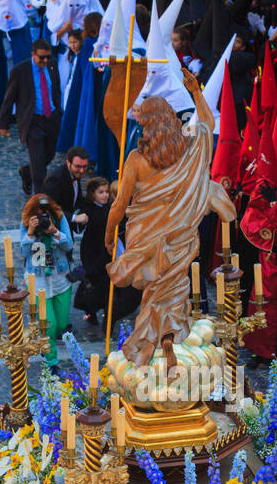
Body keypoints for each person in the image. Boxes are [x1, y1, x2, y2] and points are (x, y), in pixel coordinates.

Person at [105, 67, 237, 370]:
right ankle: (170, 337)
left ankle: (155, 340)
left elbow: (120, 204)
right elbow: (207, 123)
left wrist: (110, 233)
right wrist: (196, 93)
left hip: (148, 238)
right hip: (179, 237)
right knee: (176, 288)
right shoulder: (187, 148)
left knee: (154, 291)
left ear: (146, 124)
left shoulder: (137, 160)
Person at [0, 38, 63, 195]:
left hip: (52, 117)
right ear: (33, 54)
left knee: (49, 154)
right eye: (42, 57)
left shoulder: (52, 65)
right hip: (32, 121)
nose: (45, 60)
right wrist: (3, 124)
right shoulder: (20, 71)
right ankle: (40, 197)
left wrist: (58, 109)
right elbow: (9, 98)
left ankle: (27, 172)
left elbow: (56, 88)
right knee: (39, 162)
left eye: (48, 57)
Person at [19, 194, 74, 370]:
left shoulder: (58, 218)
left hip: (59, 279)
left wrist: (55, 232)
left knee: (62, 324)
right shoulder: (27, 222)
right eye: (38, 214)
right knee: (49, 325)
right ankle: (52, 362)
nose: (42, 217)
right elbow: (24, 251)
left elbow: (69, 245)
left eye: (44, 213)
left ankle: (45, 343)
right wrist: (30, 232)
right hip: (39, 281)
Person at [73, 173, 112, 330]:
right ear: (93, 194)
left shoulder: (110, 207)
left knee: (105, 281)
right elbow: (78, 226)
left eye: (106, 192)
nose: (105, 195)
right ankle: (90, 310)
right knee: (93, 280)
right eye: (101, 192)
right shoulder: (87, 209)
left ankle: (104, 309)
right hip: (92, 251)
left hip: (106, 251)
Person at [46, 146, 90, 219]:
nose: (82, 171)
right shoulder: (54, 179)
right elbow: (52, 208)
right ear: (68, 163)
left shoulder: (74, 173)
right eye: (78, 166)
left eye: (84, 166)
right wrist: (73, 217)